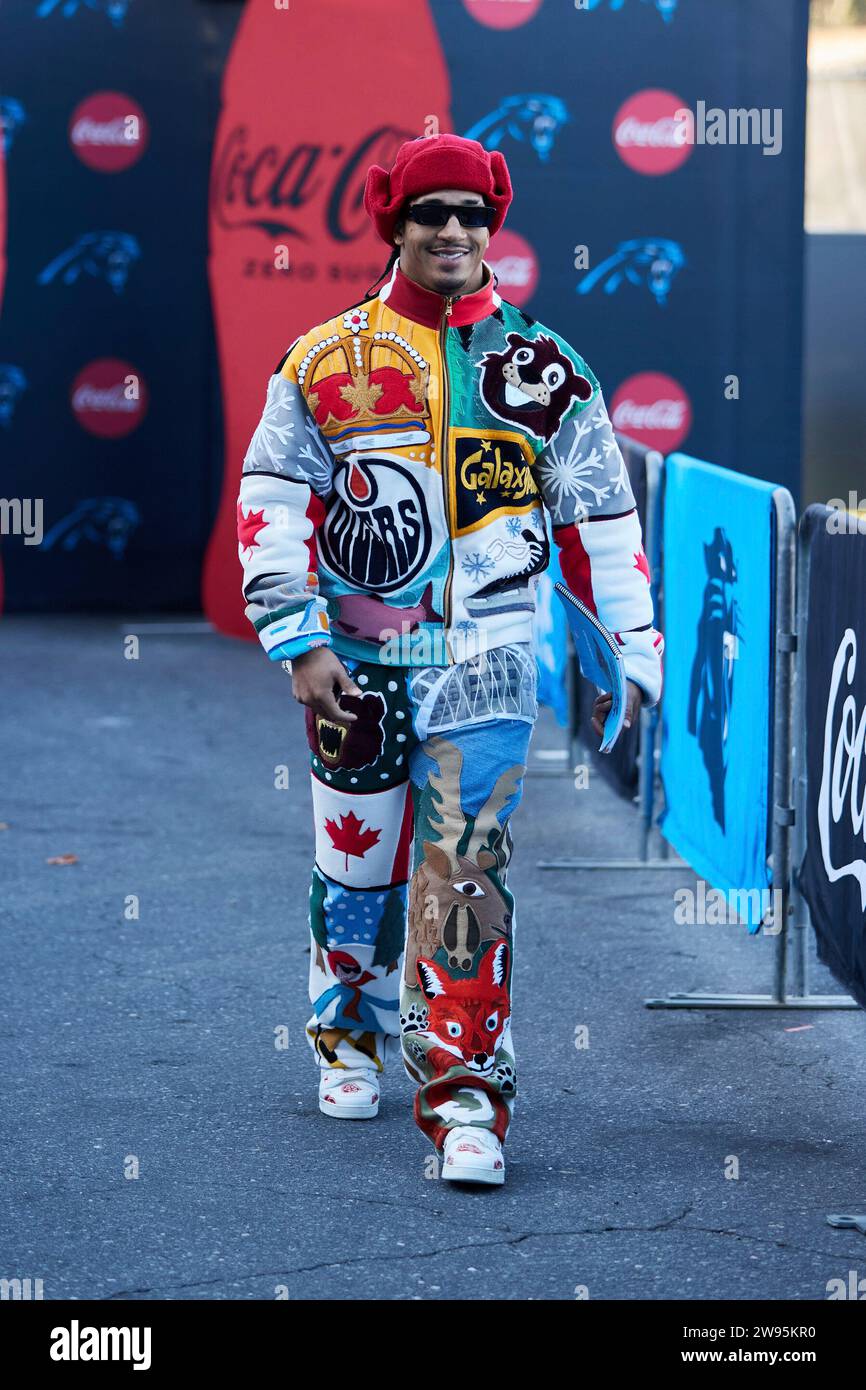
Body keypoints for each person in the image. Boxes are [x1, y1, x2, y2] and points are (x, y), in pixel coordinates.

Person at [236, 134, 664, 1187]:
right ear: (394, 223)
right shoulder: (323, 360)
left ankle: (466, 1094)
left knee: (461, 873)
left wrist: (635, 648)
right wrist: (296, 642)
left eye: (471, 214)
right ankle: (345, 1028)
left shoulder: (546, 369)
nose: (452, 231)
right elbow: (269, 505)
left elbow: (602, 520)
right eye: (430, 211)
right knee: (355, 868)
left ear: (492, 226)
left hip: (489, 665)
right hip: (356, 666)